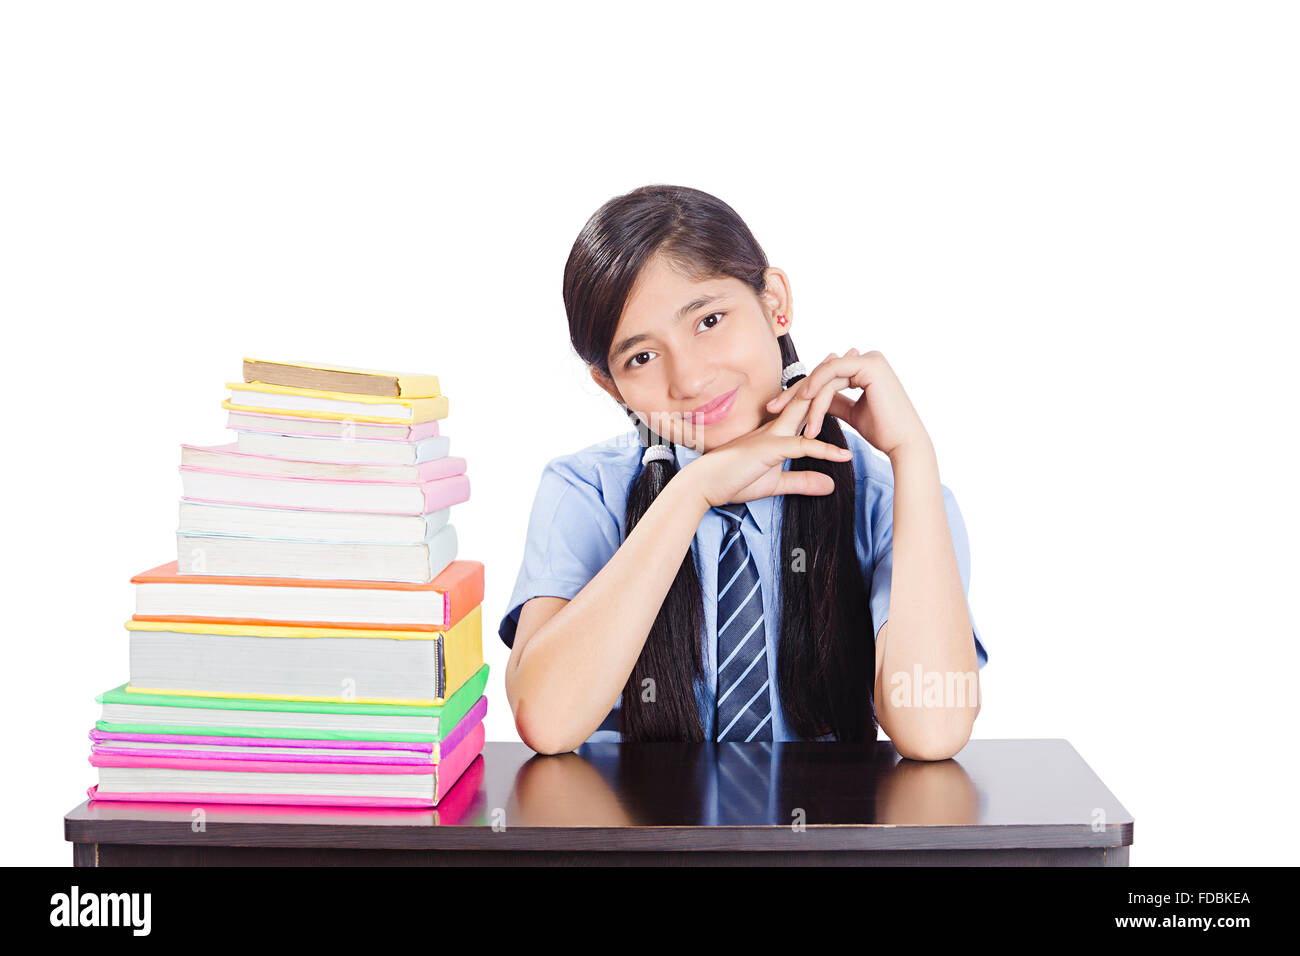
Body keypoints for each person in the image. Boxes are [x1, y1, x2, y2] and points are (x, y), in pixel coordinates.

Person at [498, 184, 987, 759]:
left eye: (708, 320)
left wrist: (914, 453)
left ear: (774, 301)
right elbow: (548, 723)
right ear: (610, 384)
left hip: (817, 845)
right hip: (630, 846)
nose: (690, 379)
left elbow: (934, 731)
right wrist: (693, 493)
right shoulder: (587, 492)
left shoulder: (892, 499)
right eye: (642, 357)